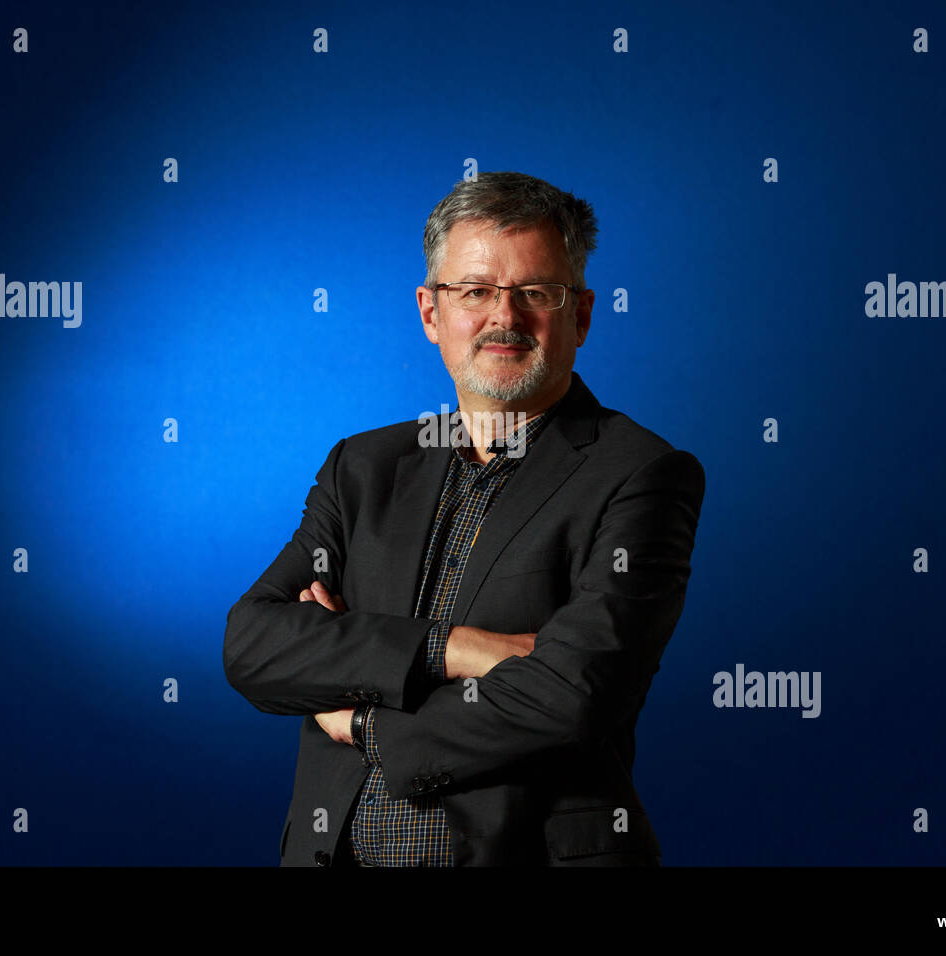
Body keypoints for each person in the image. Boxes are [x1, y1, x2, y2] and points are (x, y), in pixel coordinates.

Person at [224, 171, 706, 866]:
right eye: (475, 291)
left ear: (581, 315)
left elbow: (571, 696)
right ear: (430, 313)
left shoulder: (643, 475)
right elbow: (253, 643)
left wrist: (362, 720)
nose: (503, 317)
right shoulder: (362, 467)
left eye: (536, 292)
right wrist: (454, 649)